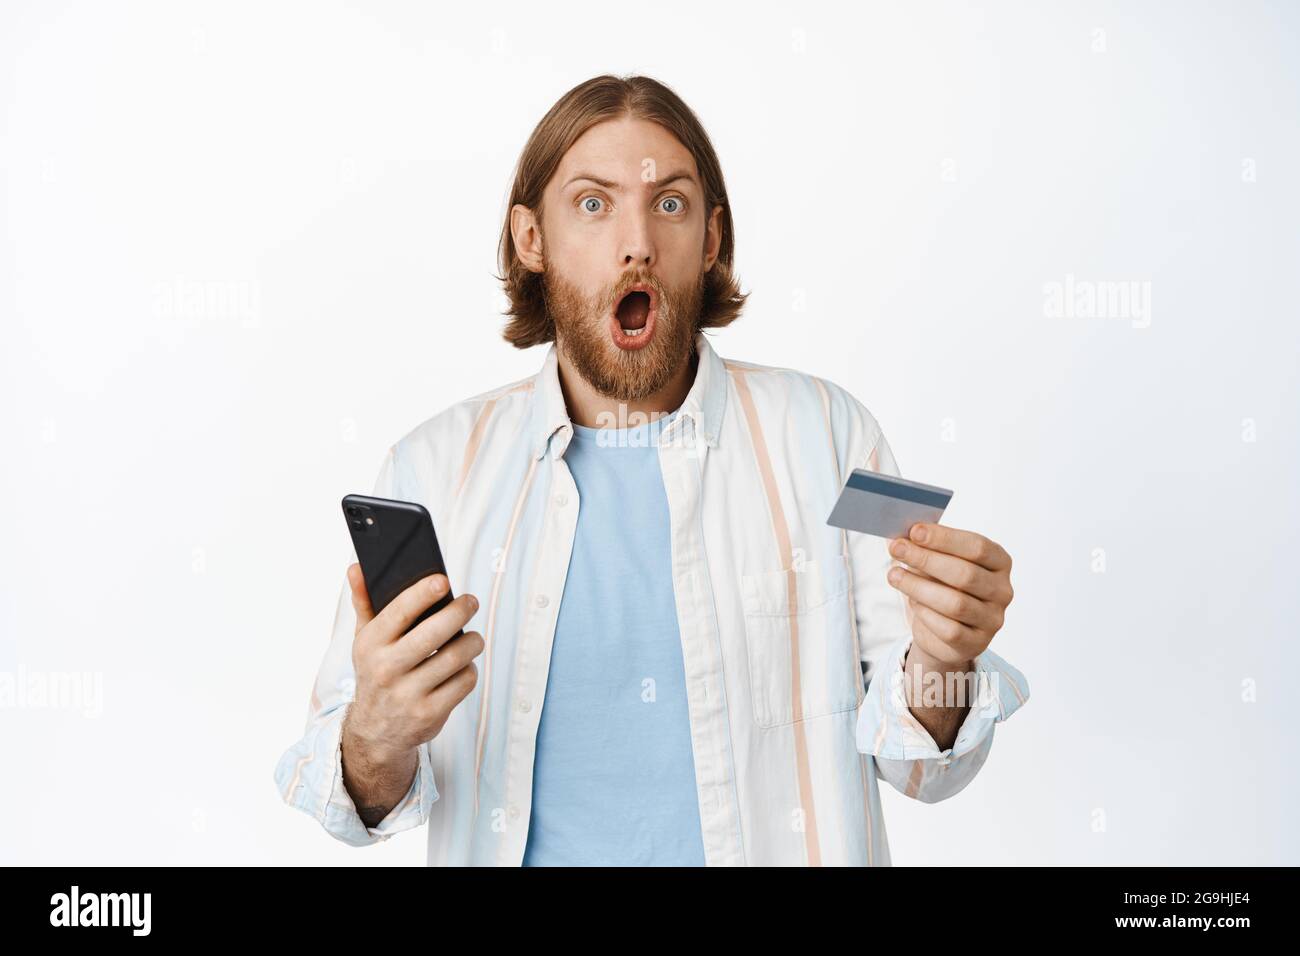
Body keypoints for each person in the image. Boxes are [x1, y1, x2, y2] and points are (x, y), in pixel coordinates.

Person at [274, 73, 1028, 866]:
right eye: (593, 204)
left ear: (709, 241)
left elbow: (923, 767)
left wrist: (946, 661)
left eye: (669, 203)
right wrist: (378, 732)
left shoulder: (839, 434)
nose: (637, 242)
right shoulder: (426, 468)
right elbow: (345, 795)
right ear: (531, 240)